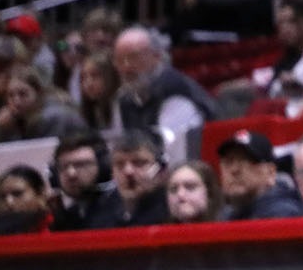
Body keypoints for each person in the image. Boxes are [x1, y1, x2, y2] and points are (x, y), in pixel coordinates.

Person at [113, 26, 215, 161]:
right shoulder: (124, 98)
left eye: (133, 57)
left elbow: (175, 155)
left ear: (156, 56)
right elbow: (120, 146)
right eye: (119, 60)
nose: (126, 67)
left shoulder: (176, 89)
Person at [83, 128, 170, 228]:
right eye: (119, 164)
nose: (128, 172)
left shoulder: (172, 210)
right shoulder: (99, 211)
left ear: (160, 169)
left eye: (139, 163)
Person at [217, 130, 303, 220]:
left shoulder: (284, 214)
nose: (234, 170)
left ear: (271, 173)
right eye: (228, 162)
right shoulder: (227, 215)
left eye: (248, 161)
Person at [50, 130, 111, 231]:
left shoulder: (120, 212)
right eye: (63, 167)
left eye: (80, 165)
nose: (71, 173)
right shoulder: (64, 219)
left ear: (103, 168)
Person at [165, 160, 224, 224]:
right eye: (173, 189)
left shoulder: (229, 225)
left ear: (209, 192)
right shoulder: (156, 231)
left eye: (190, 187)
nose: (180, 194)